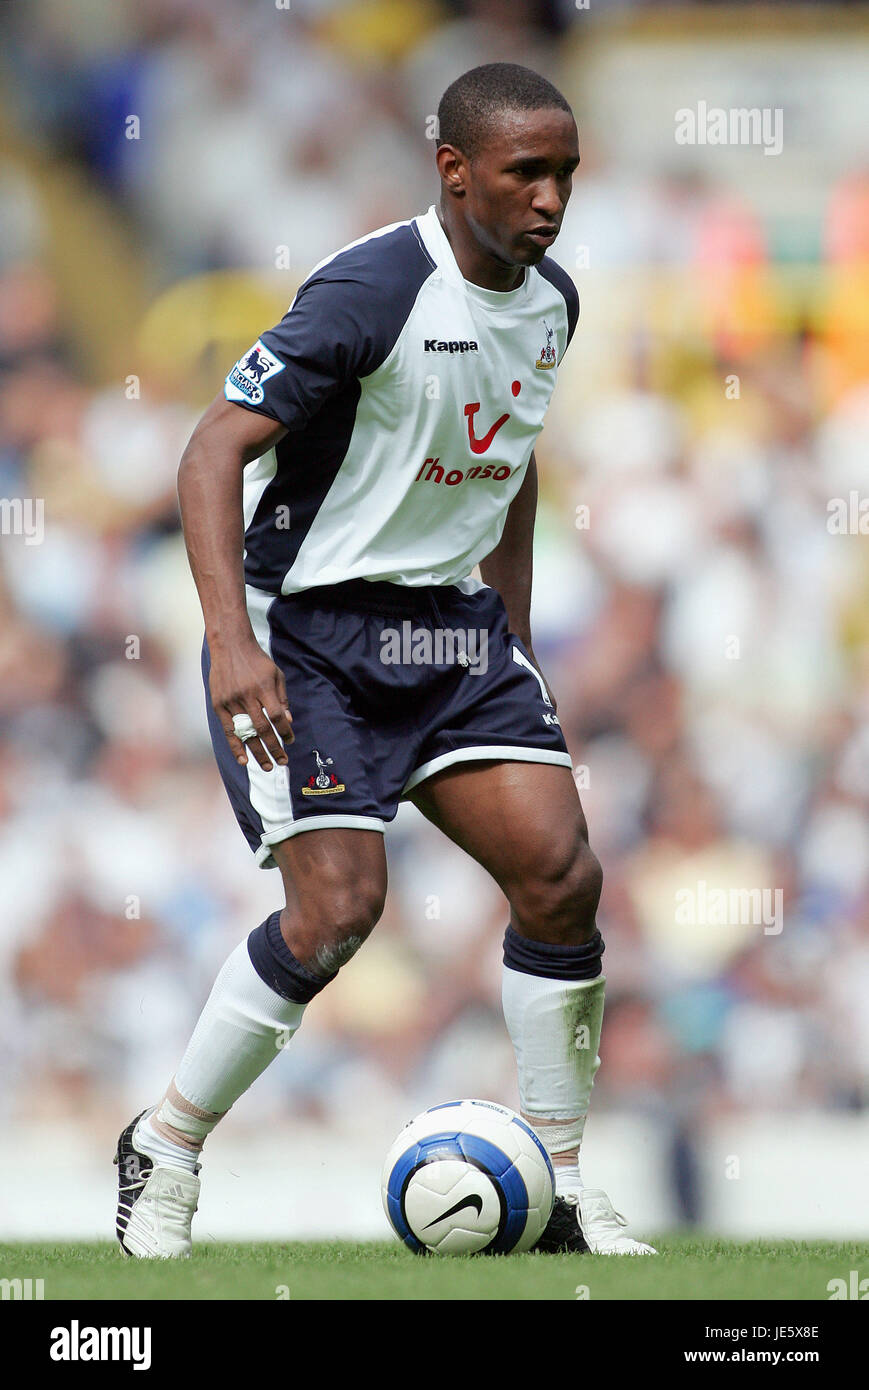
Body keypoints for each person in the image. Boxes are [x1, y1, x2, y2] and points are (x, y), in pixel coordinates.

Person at [115, 62, 655, 1259]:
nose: (551, 197)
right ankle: (166, 1145)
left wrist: (514, 632)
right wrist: (230, 644)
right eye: (525, 172)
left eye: (565, 173)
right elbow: (211, 450)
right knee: (337, 913)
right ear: (453, 170)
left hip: (451, 633)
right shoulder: (370, 289)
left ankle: (562, 1185)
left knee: (560, 875)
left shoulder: (552, 301)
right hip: (308, 637)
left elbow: (508, 455)